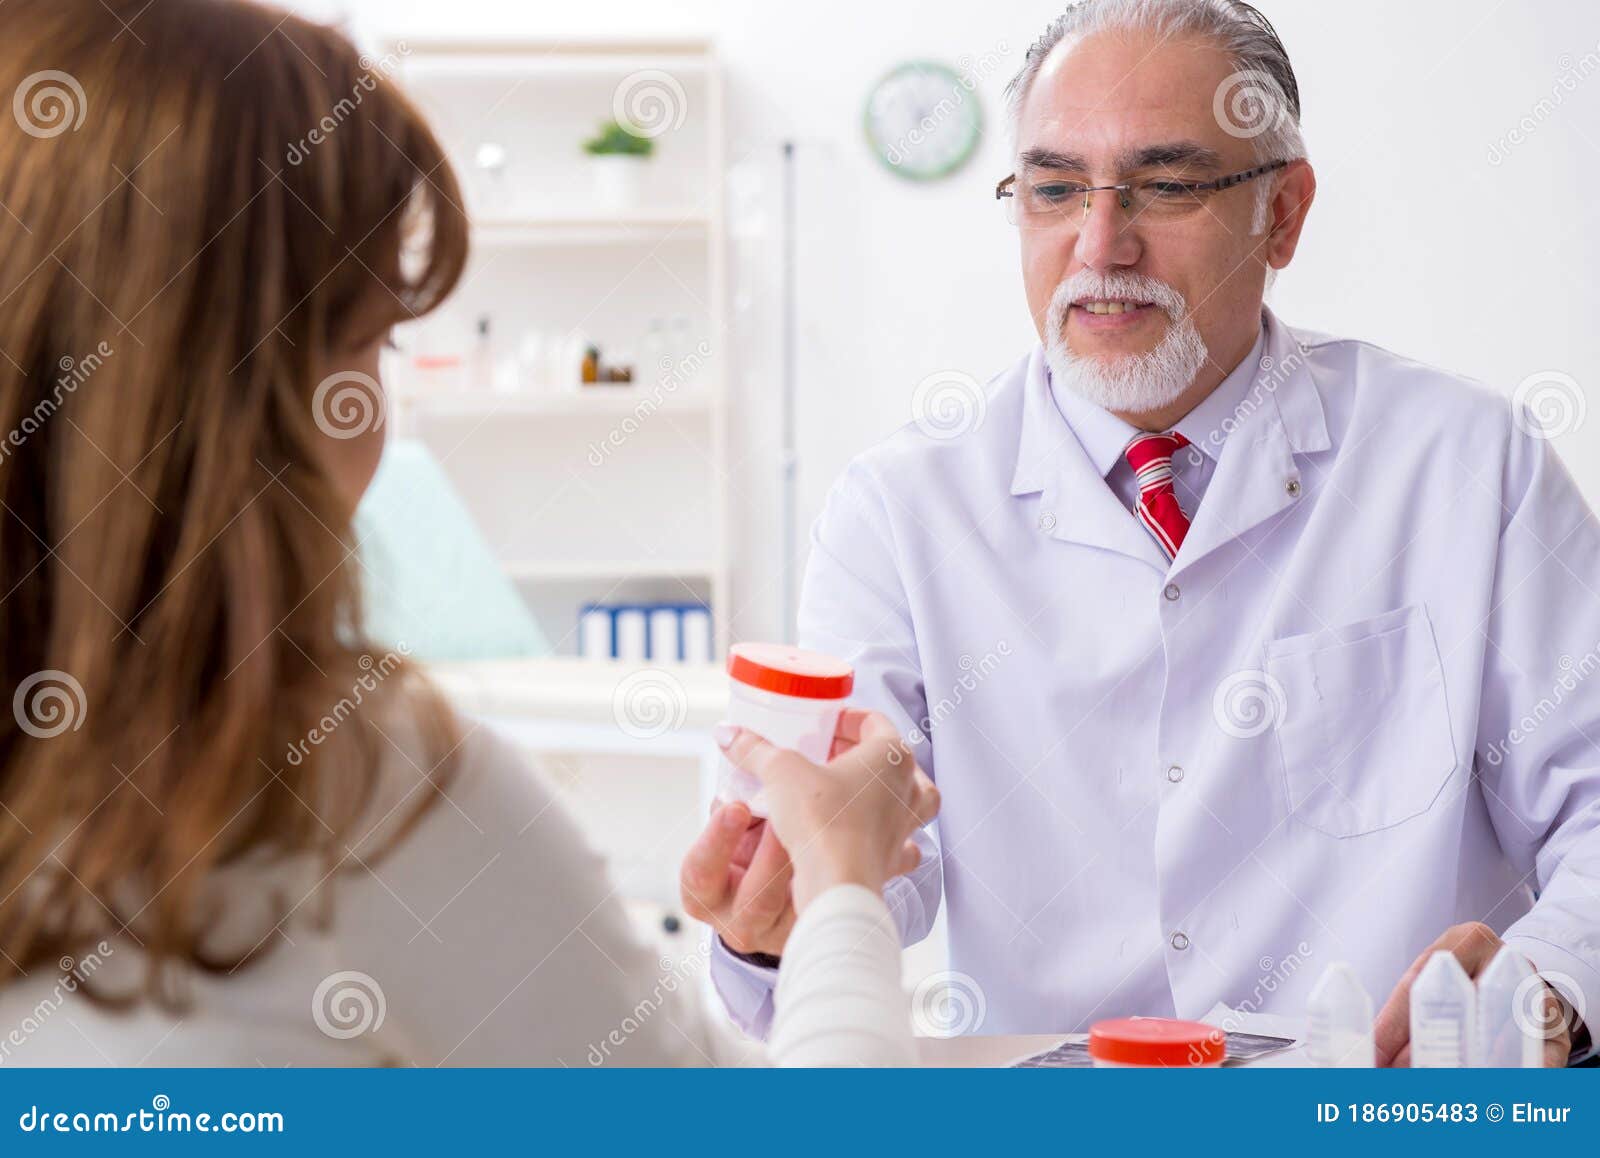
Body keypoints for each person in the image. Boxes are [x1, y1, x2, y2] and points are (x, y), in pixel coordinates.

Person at [0, 0, 937, 1067]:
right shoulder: (365, 792)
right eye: (373, 343)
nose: (376, 418)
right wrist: (844, 885)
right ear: (247, 404)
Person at [688, 0, 1595, 1066]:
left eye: (1164, 187)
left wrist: (1545, 990)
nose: (1099, 245)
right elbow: (868, 859)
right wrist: (773, 922)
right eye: (1054, 189)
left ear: (1283, 214)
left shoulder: (1467, 463)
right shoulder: (898, 510)